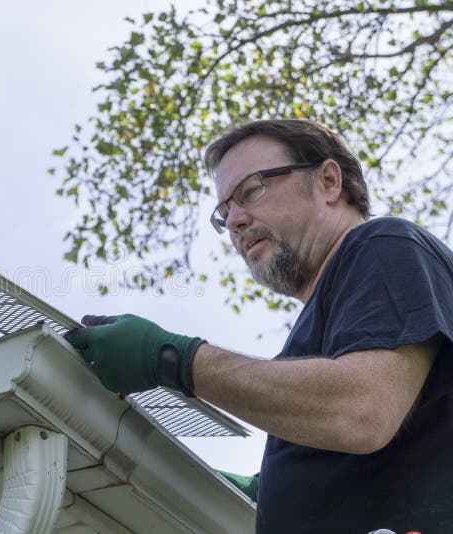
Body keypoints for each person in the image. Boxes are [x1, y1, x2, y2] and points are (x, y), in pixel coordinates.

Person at [64, 119, 453, 533]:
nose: (234, 221)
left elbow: (361, 410)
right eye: (224, 211)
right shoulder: (317, 337)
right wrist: (261, 492)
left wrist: (171, 358)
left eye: (250, 191)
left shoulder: (384, 245)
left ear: (328, 181)